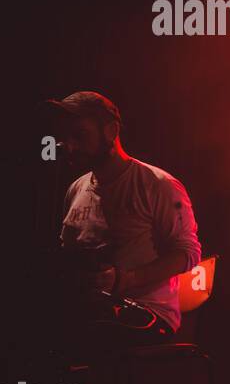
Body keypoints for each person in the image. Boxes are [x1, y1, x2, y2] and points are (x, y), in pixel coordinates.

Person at [47, 91, 202, 348]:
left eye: (80, 135)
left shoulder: (158, 185)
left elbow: (188, 253)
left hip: (145, 317)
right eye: (65, 137)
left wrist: (126, 279)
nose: (70, 146)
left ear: (110, 130)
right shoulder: (76, 189)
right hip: (91, 312)